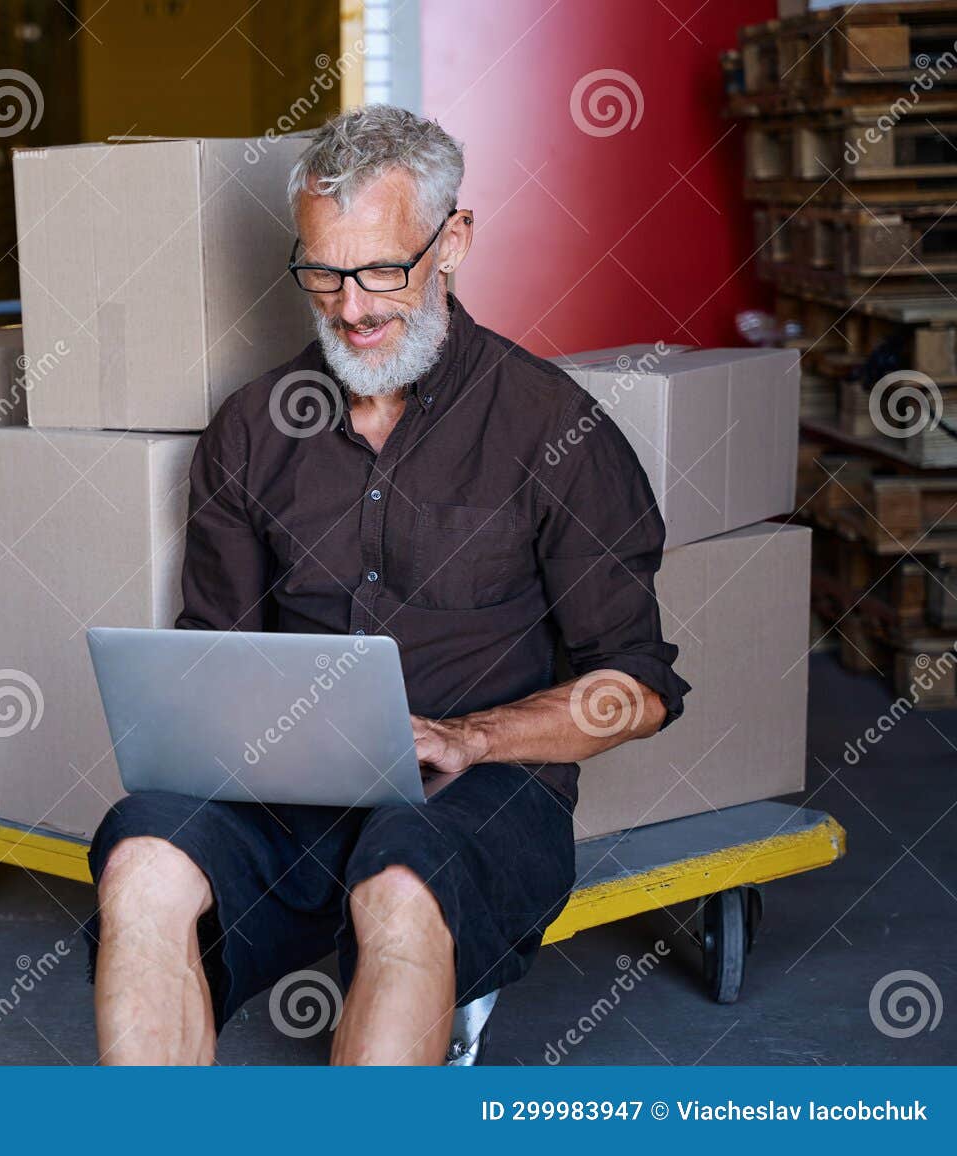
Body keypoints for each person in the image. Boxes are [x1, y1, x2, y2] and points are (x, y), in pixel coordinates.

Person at [84, 105, 692, 1065]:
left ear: (452, 242)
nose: (352, 308)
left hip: (479, 793)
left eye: (381, 271)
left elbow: (640, 689)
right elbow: (216, 650)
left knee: (403, 886)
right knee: (141, 863)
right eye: (323, 273)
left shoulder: (555, 431)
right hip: (290, 784)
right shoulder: (252, 429)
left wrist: (471, 736)